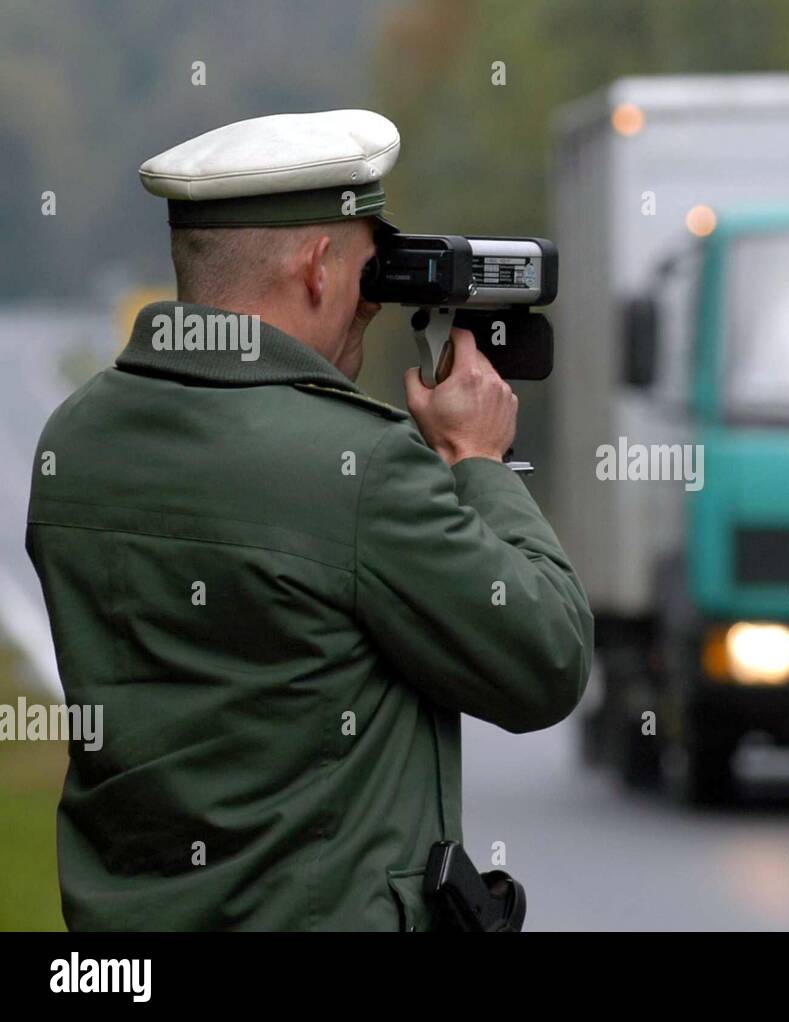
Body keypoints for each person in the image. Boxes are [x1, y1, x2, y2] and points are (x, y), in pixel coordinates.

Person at [25, 109, 593, 930]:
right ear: (320, 269)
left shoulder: (74, 440)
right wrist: (477, 461)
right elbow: (549, 658)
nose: (376, 301)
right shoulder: (360, 467)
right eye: (372, 269)